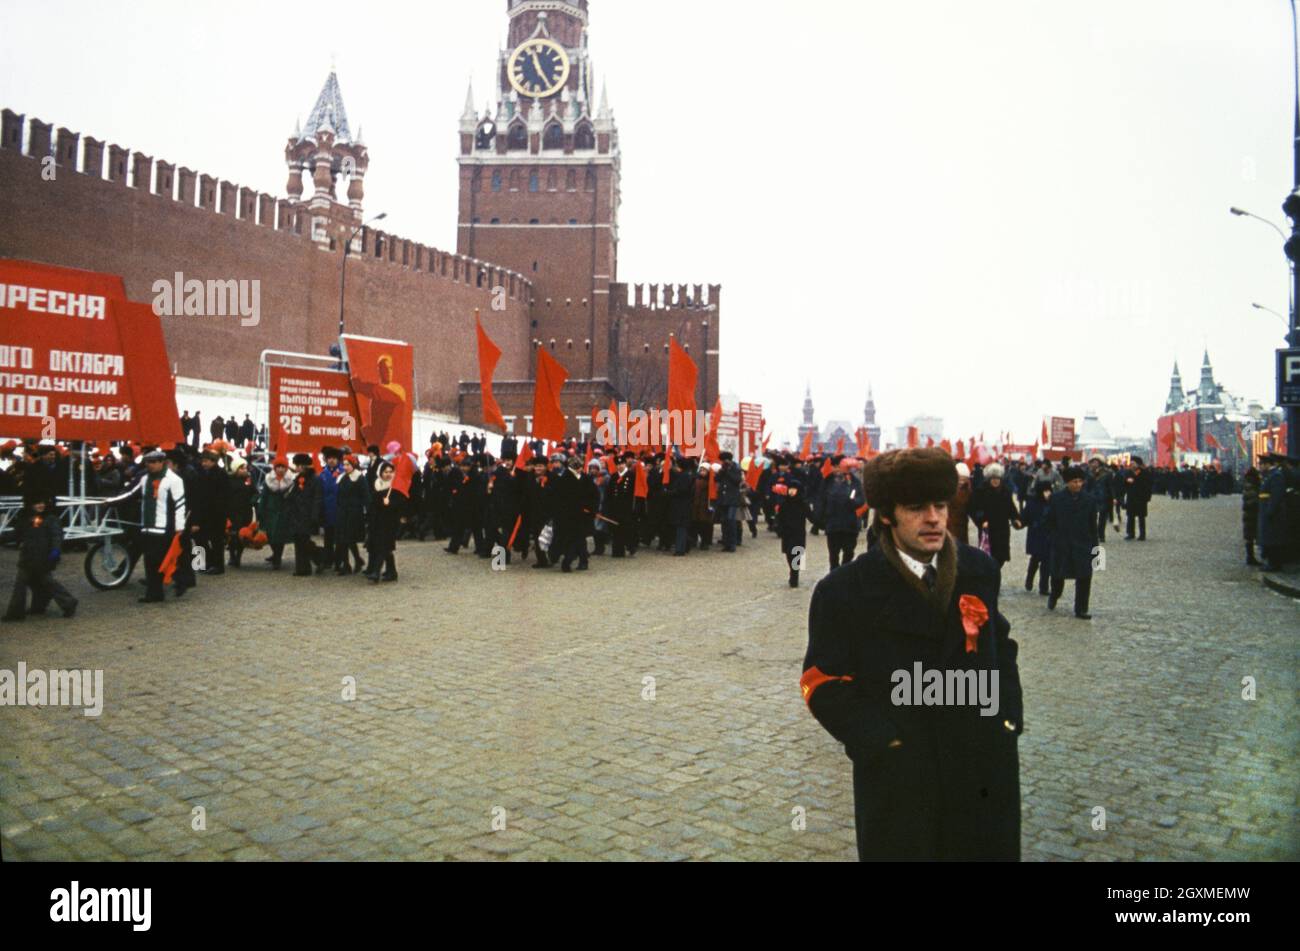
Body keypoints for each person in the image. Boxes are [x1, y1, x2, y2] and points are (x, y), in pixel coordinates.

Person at [801, 447, 1022, 860]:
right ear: (887, 514)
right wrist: (883, 741)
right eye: (917, 508)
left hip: (982, 770)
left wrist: (1007, 720)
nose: (935, 518)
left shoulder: (980, 570)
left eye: (940, 504)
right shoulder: (845, 591)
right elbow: (821, 682)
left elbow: (1003, 649)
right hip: (901, 779)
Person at [3, 497, 78, 621]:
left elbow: (56, 536)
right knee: (33, 583)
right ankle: (63, 603)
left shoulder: (51, 519)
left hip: (42, 557)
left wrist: (55, 551)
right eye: (37, 502)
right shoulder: (26, 519)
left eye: (42, 502)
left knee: (43, 582)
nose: (41, 505)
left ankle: (18, 612)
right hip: (29, 556)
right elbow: (16, 534)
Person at [1046, 466, 1099, 619]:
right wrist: (1054, 538)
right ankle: (1054, 595)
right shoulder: (1056, 499)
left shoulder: (1089, 500)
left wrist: (1096, 551)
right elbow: (1049, 521)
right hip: (1062, 544)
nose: (1077, 484)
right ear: (1067, 483)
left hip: (1083, 544)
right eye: (1074, 481)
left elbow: (1093, 526)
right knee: (1057, 576)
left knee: (1084, 577)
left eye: (1080, 481)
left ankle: (1081, 608)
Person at [136, 449, 187, 604]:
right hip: (148, 526)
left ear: (161, 462)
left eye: (152, 462)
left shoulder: (174, 479)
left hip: (165, 527)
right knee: (151, 561)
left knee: (164, 559)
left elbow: (180, 504)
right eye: (147, 462)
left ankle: (180, 581)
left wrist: (179, 527)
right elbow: (132, 493)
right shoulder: (144, 479)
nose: (149, 465)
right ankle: (154, 592)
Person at [969, 463, 1022, 585]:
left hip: (1002, 529)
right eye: (993, 478)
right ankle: (990, 580)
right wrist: (981, 521)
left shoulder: (1005, 491)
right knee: (988, 556)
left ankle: (993, 576)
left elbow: (1011, 508)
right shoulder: (980, 491)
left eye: (998, 478)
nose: (996, 481)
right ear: (989, 479)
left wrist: (1016, 518)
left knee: (1001, 557)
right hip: (988, 530)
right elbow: (973, 509)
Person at [818, 462, 864, 571]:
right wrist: (821, 519)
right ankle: (834, 574)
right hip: (833, 524)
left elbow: (861, 500)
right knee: (833, 554)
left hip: (850, 524)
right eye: (835, 466)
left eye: (840, 467)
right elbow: (821, 500)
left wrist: (852, 501)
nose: (838, 469)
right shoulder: (828, 481)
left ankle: (844, 572)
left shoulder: (855, 483)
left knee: (848, 552)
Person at [772, 456, 810, 587]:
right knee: (789, 554)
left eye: (794, 489)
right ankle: (792, 571)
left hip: (799, 532)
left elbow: (811, 516)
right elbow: (780, 517)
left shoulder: (803, 504)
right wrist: (778, 528)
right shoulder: (784, 503)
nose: (792, 491)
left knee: (798, 553)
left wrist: (822, 523)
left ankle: (796, 575)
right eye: (790, 489)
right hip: (787, 532)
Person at [365, 460, 401, 583]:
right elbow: (372, 504)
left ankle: (376, 572)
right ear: (380, 473)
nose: (388, 474)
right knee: (385, 548)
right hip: (377, 521)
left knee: (383, 546)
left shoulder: (395, 488)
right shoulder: (376, 485)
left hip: (389, 522)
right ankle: (392, 572)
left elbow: (399, 505)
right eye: (385, 472)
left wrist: (389, 503)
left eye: (391, 472)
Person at [334, 455, 369, 574]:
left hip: (354, 512)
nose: (346, 467)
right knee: (343, 539)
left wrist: (367, 511)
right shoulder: (342, 478)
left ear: (353, 465)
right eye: (344, 464)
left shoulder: (359, 478)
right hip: (342, 512)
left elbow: (365, 496)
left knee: (349, 539)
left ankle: (354, 561)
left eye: (348, 464)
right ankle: (348, 563)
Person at [1257, 454, 1290, 571]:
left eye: (1261, 464)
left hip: (1273, 513)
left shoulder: (1276, 476)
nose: (1259, 466)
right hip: (1267, 510)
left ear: (1267, 464)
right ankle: (1271, 562)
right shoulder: (1269, 475)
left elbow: (1276, 496)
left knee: (1273, 538)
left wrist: (1270, 511)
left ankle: (1274, 564)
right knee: (1269, 538)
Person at [1022, 484, 1053, 595]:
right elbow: (1024, 517)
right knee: (1035, 559)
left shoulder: (1053, 503)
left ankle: (1043, 587)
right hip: (1036, 535)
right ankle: (1029, 580)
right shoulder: (1032, 503)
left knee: (1047, 562)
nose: (1048, 493)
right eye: (1045, 491)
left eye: (1049, 491)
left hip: (1048, 536)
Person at [1123, 456, 1153, 541]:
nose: (1132, 465)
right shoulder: (1128, 472)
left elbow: (1148, 485)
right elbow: (1123, 483)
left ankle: (1142, 534)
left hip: (1141, 498)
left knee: (1141, 517)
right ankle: (1130, 533)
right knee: (1130, 516)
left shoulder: (1144, 472)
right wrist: (1126, 481)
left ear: (1138, 464)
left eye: (1133, 463)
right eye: (1131, 463)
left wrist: (1147, 497)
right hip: (1131, 497)